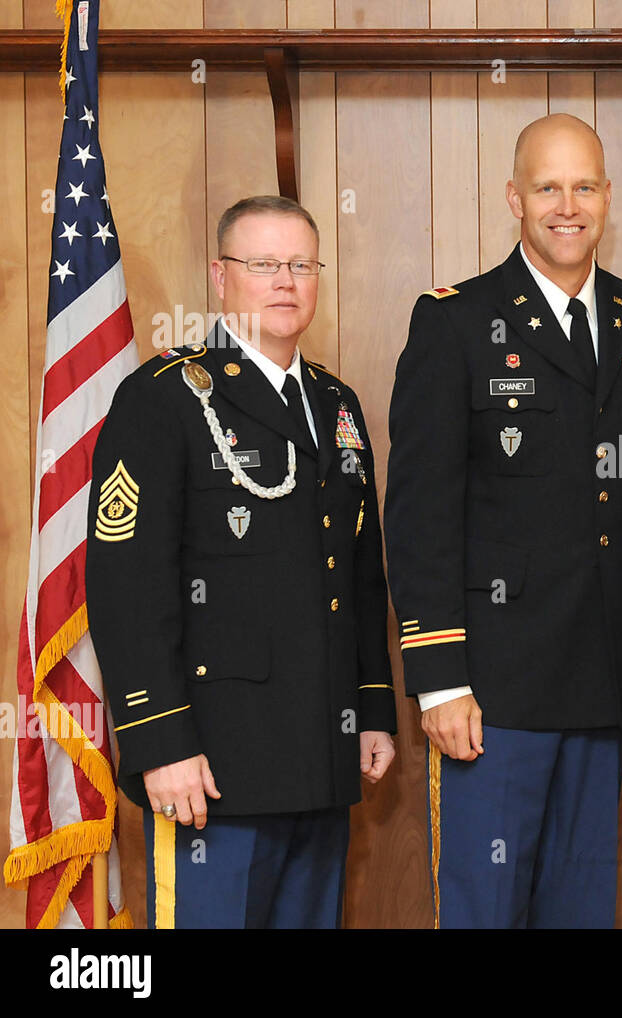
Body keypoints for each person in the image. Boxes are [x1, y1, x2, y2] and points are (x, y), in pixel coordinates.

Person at [384, 114, 622, 928]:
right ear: (515, 198)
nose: (567, 205)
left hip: (599, 676)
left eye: (583, 186)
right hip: (491, 687)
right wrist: (440, 678)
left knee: (580, 909)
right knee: (485, 910)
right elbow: (418, 512)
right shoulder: (454, 320)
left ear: (608, 198)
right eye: (548, 187)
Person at [86, 195, 397, 929]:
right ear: (221, 278)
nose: (285, 281)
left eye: (300, 264)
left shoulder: (337, 403)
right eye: (263, 265)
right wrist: (159, 742)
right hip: (209, 766)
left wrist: (374, 711)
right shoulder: (163, 398)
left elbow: (358, 575)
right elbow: (127, 586)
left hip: (322, 754)